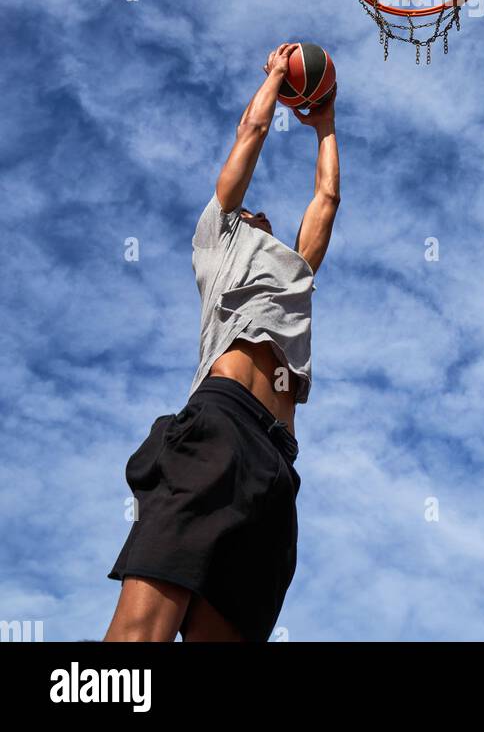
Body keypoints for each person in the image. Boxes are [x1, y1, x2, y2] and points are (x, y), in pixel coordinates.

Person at [104, 44, 340, 641]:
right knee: (141, 636)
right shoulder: (218, 238)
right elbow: (253, 130)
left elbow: (327, 199)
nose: (261, 212)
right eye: (250, 211)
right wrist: (274, 77)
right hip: (222, 425)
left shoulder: (294, 269)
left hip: (276, 466)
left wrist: (326, 123)